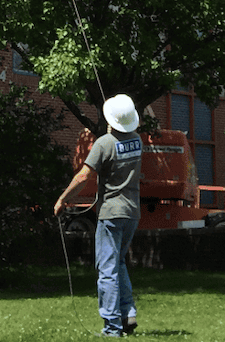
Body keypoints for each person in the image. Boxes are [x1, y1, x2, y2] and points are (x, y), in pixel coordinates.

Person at [55, 93, 142, 338]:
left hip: (111, 213)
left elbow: (83, 176)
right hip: (132, 213)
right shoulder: (137, 141)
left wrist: (63, 199)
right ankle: (128, 314)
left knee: (107, 269)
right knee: (119, 262)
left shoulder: (105, 143)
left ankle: (112, 326)